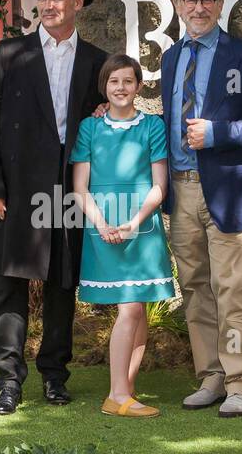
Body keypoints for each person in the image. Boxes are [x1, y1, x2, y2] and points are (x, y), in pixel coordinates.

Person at [0, 0, 108, 416]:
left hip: (69, 187)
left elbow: (106, 126)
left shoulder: (97, 62)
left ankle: (55, 375)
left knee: (62, 282)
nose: (48, 5)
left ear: (77, 4)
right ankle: (8, 381)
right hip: (15, 188)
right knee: (10, 282)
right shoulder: (10, 54)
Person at [161, 0, 242, 418]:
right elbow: (172, 121)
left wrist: (216, 133)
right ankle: (211, 375)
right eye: (189, 0)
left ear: (220, 5)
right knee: (194, 289)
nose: (198, 8)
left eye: (208, 0)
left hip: (230, 190)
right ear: (177, 6)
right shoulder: (171, 59)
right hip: (181, 188)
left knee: (231, 289)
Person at [70, 54, 174, 417]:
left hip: (141, 227)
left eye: (128, 81)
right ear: (105, 87)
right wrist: (100, 223)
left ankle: (125, 390)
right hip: (102, 226)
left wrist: (136, 220)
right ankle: (117, 395)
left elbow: (160, 184)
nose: (121, 88)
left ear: (139, 86)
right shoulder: (90, 128)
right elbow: (80, 187)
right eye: (114, 81)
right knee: (129, 307)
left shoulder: (153, 127)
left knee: (139, 309)